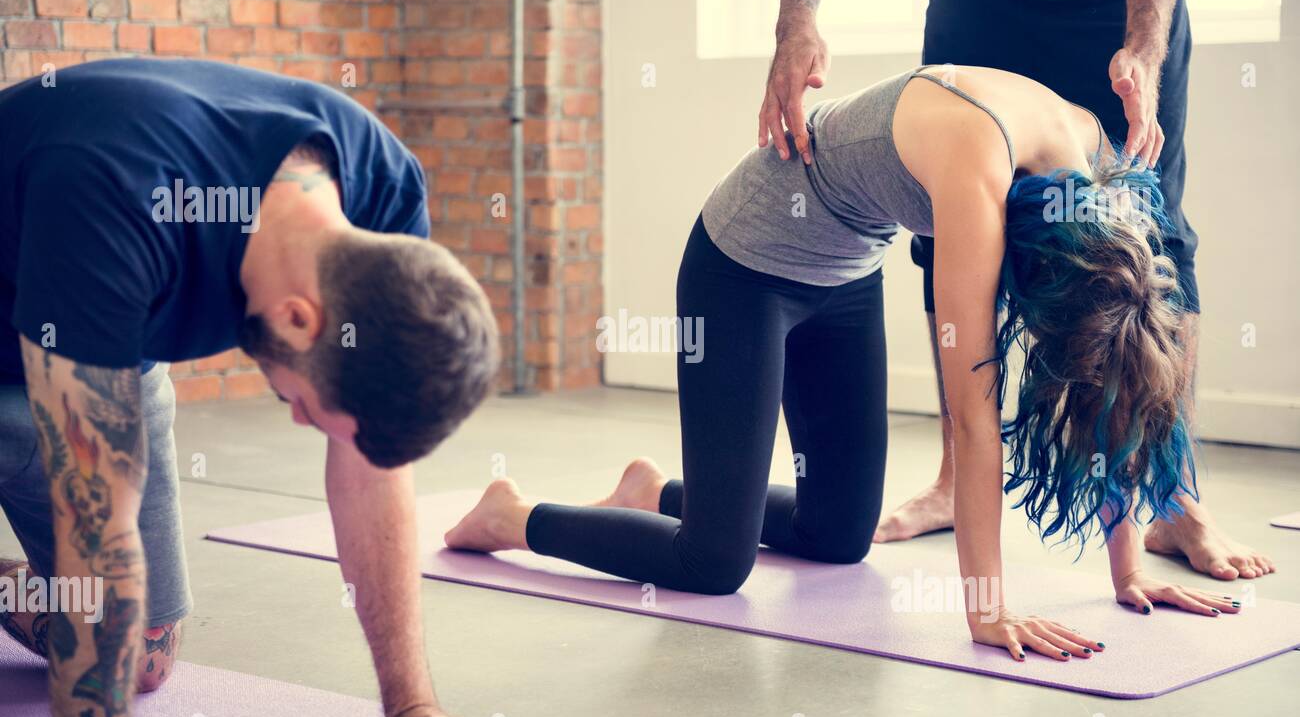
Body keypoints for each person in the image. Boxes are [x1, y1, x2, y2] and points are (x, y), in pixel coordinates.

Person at [446, 64, 1241, 660]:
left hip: (843, 271)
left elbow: (1113, 390)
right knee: (713, 561)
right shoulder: (980, 175)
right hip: (744, 266)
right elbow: (972, 417)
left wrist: (1125, 571)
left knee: (839, 534)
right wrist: (987, 608)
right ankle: (512, 513)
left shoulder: (1098, 176)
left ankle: (653, 489)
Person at [0, 57, 548, 717]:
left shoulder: (381, 196)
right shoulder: (115, 192)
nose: (300, 424)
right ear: (297, 317)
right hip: (61, 338)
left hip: (97, 359)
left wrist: (412, 706)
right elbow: (95, 530)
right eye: (311, 410)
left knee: (142, 656)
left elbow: (371, 474)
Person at [758, 0, 1274, 580]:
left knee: (1154, 235)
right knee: (947, 224)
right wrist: (796, 19)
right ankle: (954, 477)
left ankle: (1171, 495)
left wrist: (1144, 50)